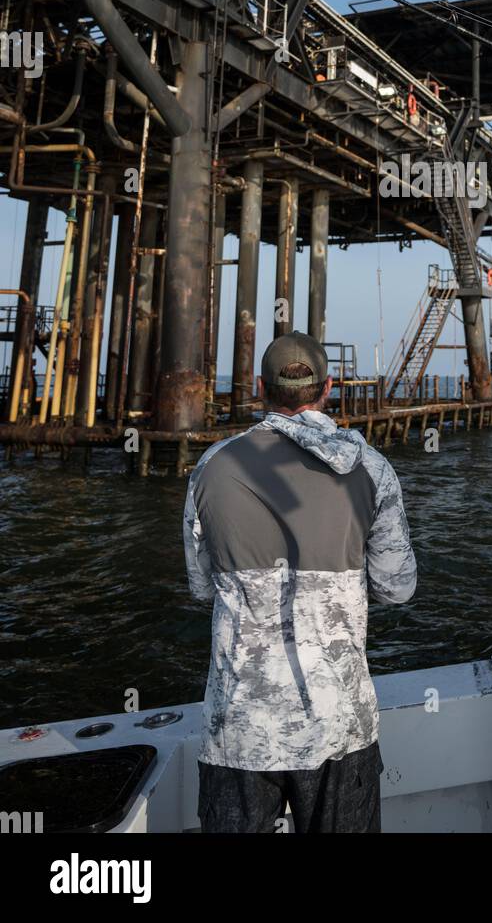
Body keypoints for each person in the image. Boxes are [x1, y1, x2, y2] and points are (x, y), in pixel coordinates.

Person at [184, 331, 417, 833]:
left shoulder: (210, 468)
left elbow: (202, 587)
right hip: (339, 725)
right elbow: (397, 588)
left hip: (238, 728)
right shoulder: (372, 469)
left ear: (259, 386)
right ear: (328, 387)